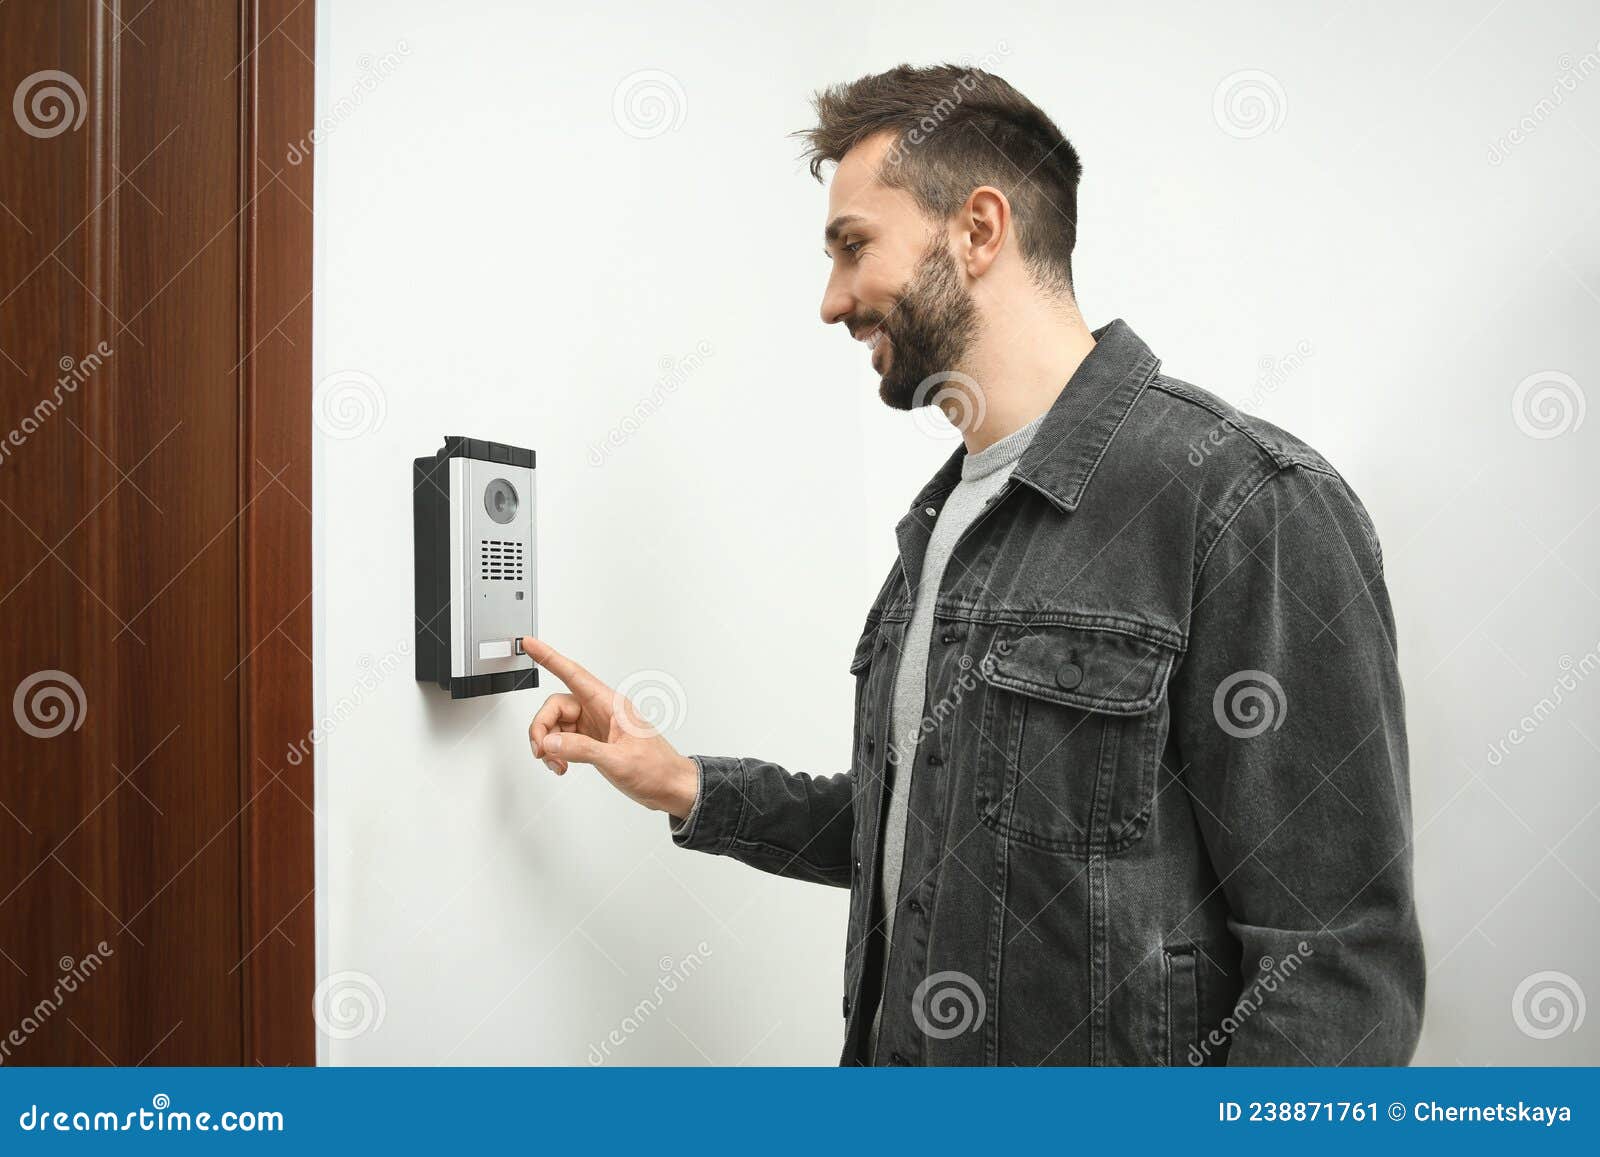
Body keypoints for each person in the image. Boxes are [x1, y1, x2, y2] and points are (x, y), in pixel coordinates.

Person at [524, 63, 1424, 1066]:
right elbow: (924, 829)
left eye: (852, 247)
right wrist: (683, 780)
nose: (831, 302)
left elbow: (1337, 969)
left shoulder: (1245, 499)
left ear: (979, 229)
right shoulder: (945, 519)